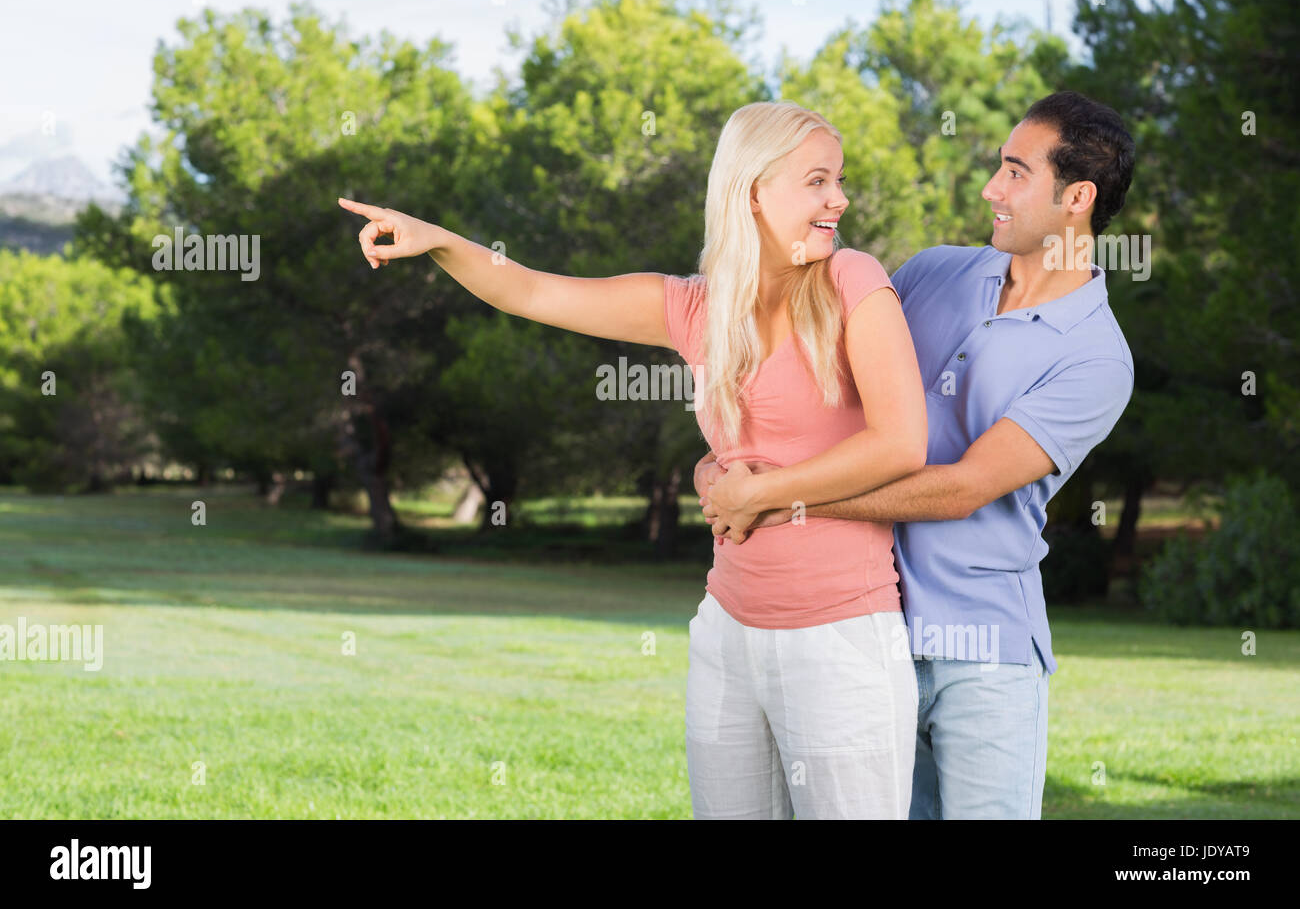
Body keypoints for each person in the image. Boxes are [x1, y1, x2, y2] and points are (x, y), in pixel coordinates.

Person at [340, 99, 929, 818]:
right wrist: (437, 240)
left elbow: (903, 442)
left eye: (838, 179)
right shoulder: (694, 308)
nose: (840, 198)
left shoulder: (852, 281)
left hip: (841, 639)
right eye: (817, 180)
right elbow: (528, 289)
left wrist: (759, 495)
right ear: (753, 190)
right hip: (729, 634)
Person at [699, 90, 1137, 819]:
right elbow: (814, 397)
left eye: (1015, 172)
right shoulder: (931, 272)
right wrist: (721, 468)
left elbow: (962, 488)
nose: (992, 188)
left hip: (985, 656)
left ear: (1077, 198)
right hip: (868, 636)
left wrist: (776, 496)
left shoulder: (1098, 357)